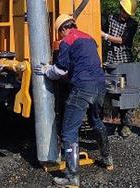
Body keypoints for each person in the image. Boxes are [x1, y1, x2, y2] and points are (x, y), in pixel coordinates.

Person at [35, 14, 112, 187]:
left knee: (69, 131)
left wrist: (46, 70)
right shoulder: (89, 38)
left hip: (82, 87)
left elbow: (61, 70)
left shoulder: (67, 41)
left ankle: (72, 177)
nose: (60, 37)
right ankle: (107, 158)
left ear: (63, 29)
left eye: (59, 33)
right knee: (96, 120)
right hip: (100, 85)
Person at [101, 0, 138, 137]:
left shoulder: (132, 24)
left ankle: (126, 124)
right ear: (120, 8)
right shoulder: (110, 18)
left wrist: (105, 36)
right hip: (110, 57)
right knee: (107, 89)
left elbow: (123, 40)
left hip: (124, 58)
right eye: (124, 11)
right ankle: (104, 120)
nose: (125, 15)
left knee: (125, 90)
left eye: (127, 13)